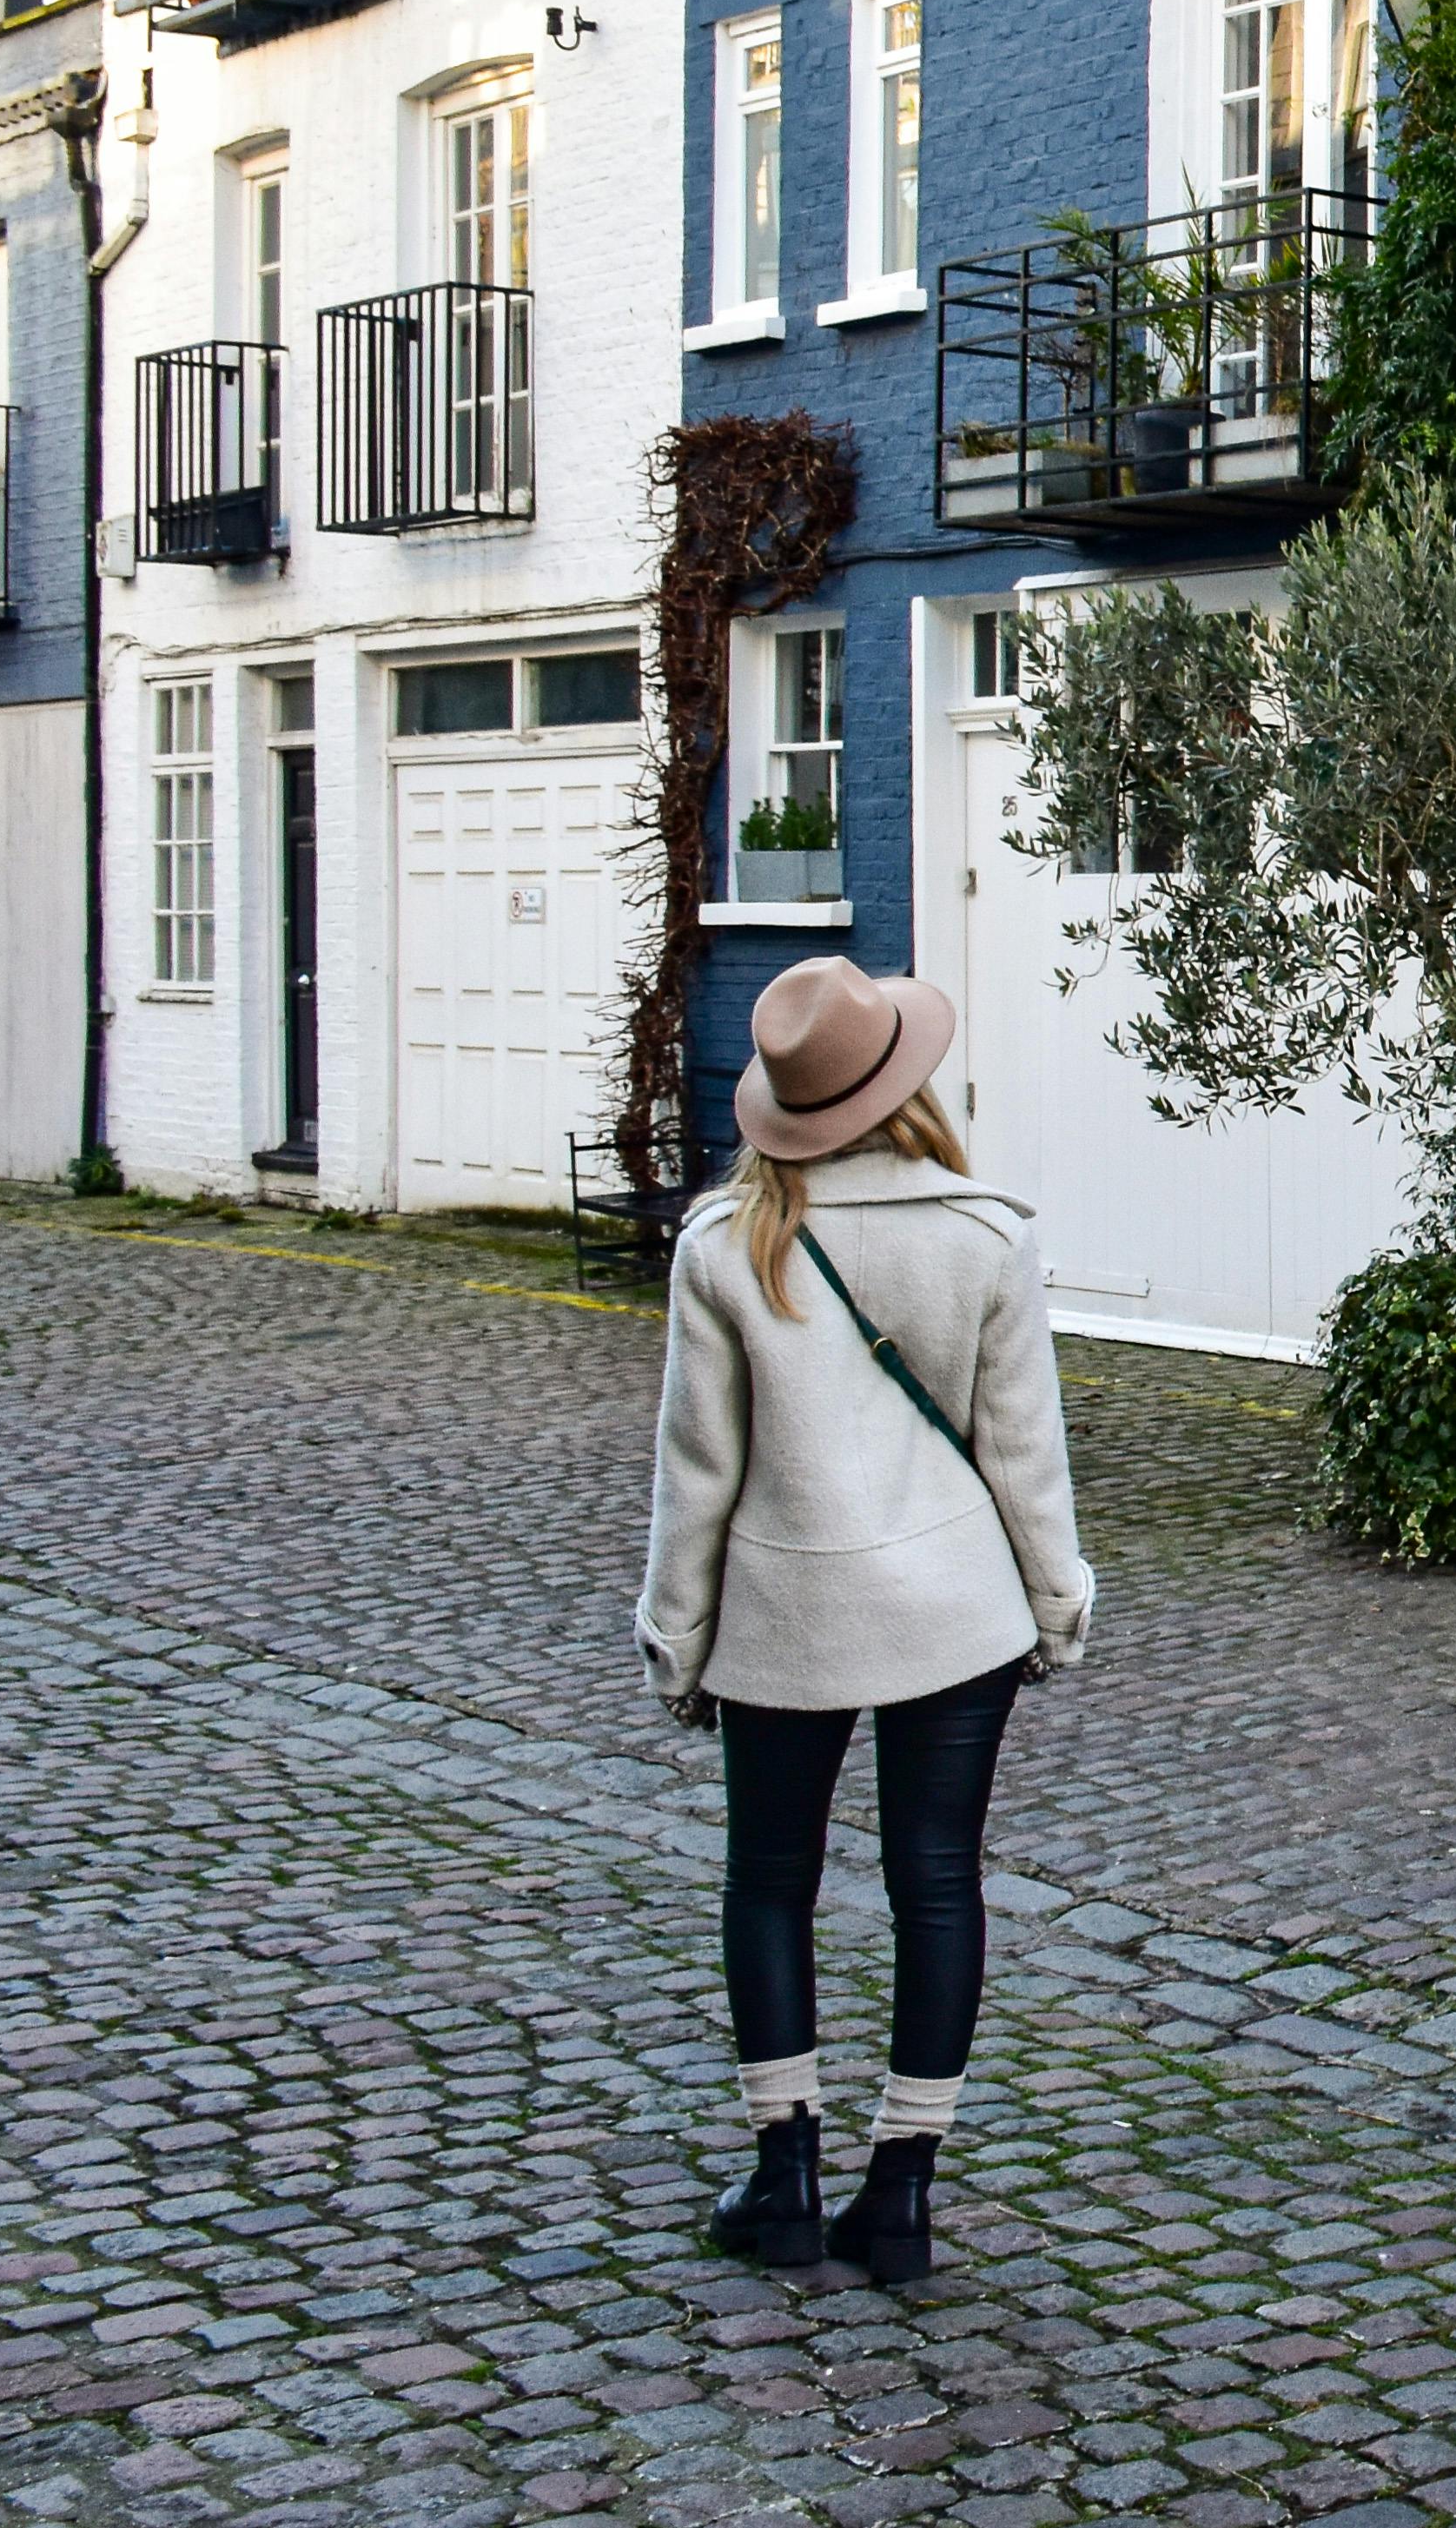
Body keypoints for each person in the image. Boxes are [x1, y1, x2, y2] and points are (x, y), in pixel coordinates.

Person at [638, 956, 1091, 2288]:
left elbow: (696, 1472)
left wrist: (678, 1634)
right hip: (957, 1613)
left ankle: (783, 2172)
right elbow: (1024, 1458)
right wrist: (1056, 1602)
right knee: (934, 1881)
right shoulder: (985, 1235)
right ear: (905, 1081)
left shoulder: (728, 1243)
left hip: (788, 1612)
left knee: (769, 1878)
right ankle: (900, 2192)